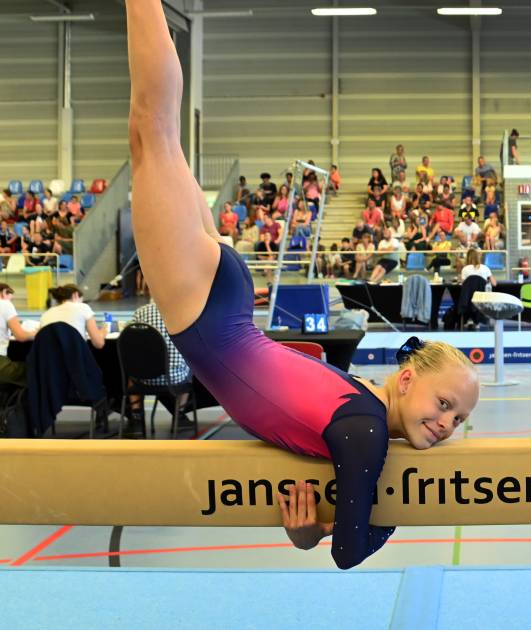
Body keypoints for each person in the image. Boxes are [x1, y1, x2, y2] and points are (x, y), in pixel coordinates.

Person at [127, 0, 481, 569]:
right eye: (444, 404)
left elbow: (339, 536)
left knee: (152, 136)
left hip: (222, 306)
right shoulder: (365, 431)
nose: (446, 424)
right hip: (205, 313)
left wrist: (315, 530)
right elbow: (348, 551)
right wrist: (344, 525)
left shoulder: (364, 401)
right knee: (154, 128)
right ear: (407, 378)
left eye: (458, 419)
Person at [128, 300, 194, 436]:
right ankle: (179, 416)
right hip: (175, 378)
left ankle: (136, 418)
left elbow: (130, 339)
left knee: (131, 371)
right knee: (191, 365)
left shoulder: (140, 312)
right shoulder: (185, 312)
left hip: (144, 380)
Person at [40, 284, 107, 350]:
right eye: (81, 300)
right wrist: (104, 330)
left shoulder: (46, 314)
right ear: (76, 295)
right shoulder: (83, 307)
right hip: (76, 359)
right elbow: (99, 344)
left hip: (50, 360)